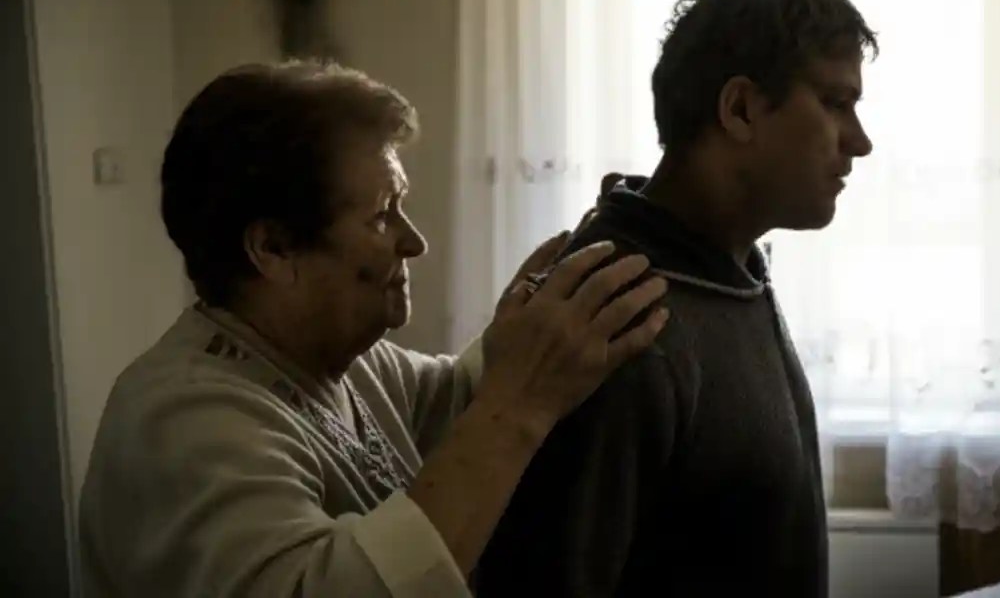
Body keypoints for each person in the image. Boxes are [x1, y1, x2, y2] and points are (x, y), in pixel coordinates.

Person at [77, 61, 671, 597]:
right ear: (274, 249)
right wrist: (518, 405)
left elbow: (462, 405)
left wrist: (533, 323)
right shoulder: (180, 423)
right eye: (382, 215)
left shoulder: (346, 361)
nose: (414, 242)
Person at [474, 0, 876, 597]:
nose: (860, 141)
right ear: (740, 109)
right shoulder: (618, 312)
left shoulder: (730, 268)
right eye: (835, 103)